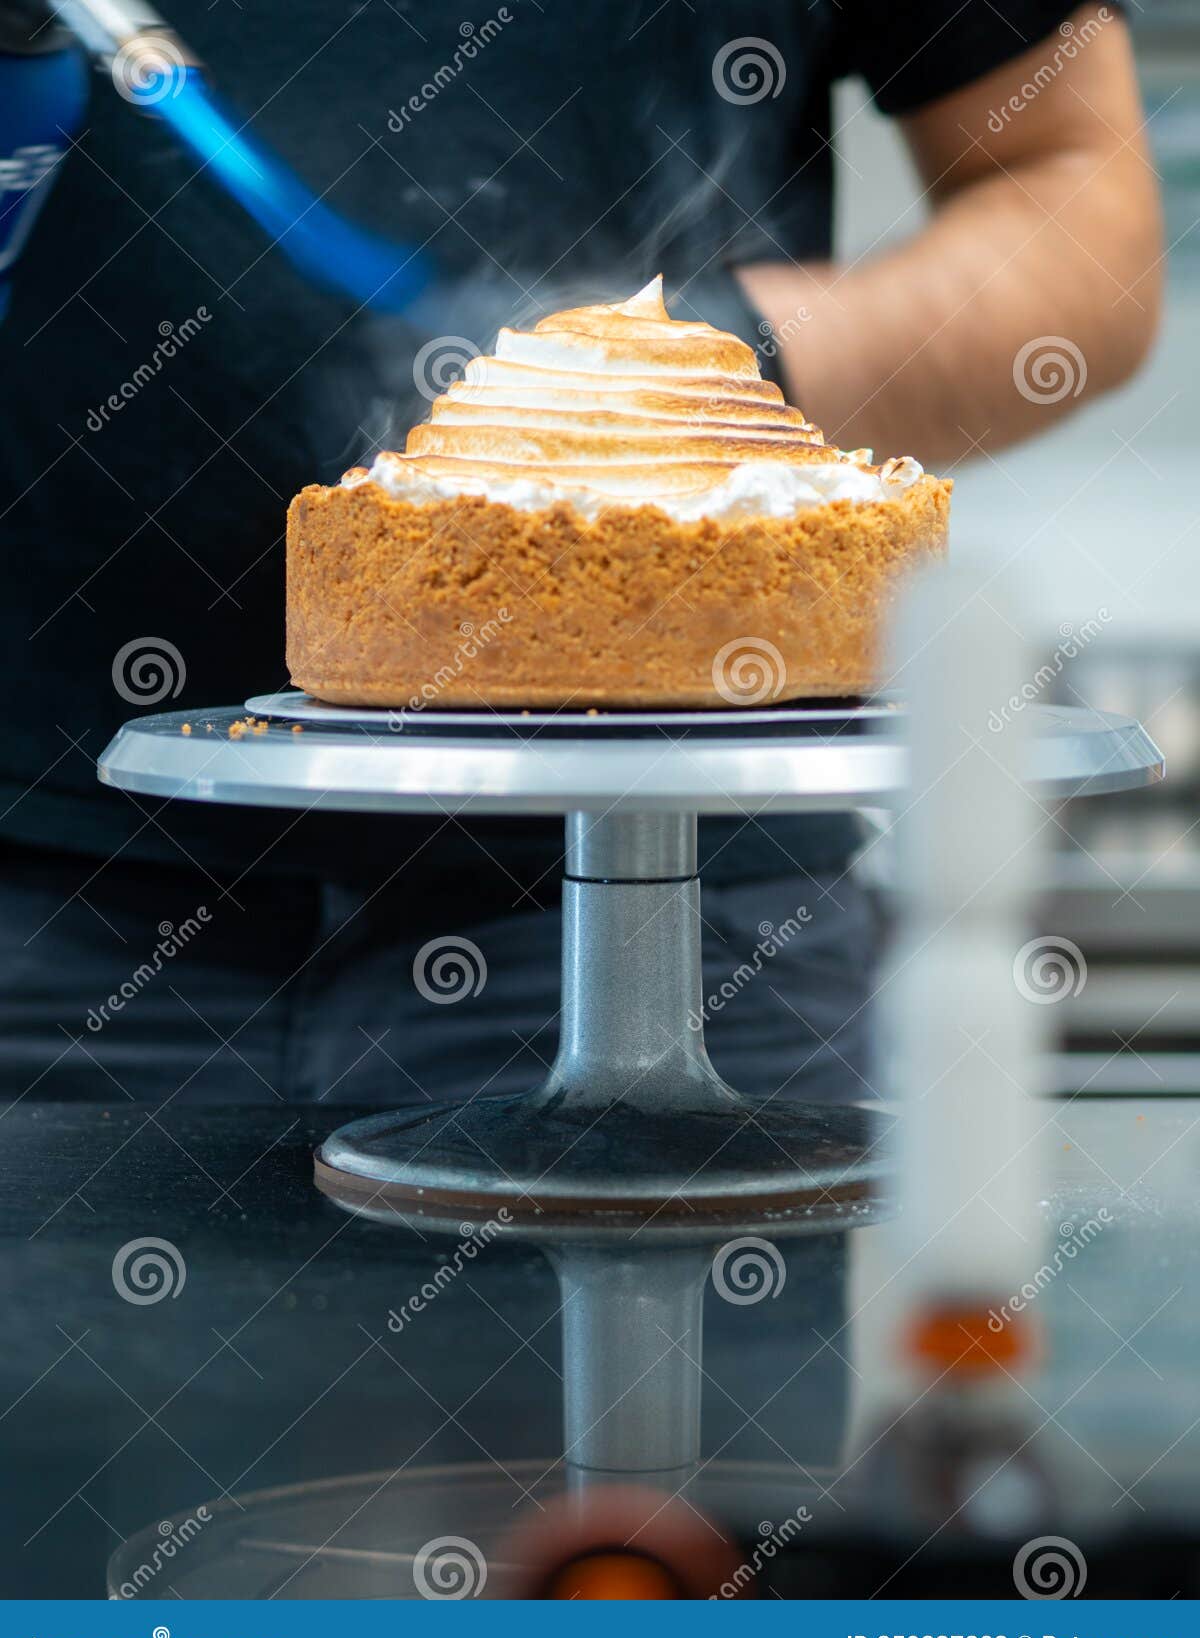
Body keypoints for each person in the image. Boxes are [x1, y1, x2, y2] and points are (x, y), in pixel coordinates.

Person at [0, 1, 1161, 1111]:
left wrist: (695, 385)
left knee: (664, 1318)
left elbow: (1077, 224)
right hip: (51, 889)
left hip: (681, 910)